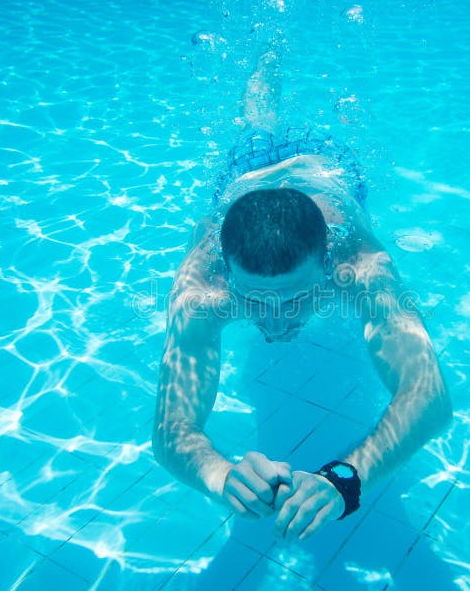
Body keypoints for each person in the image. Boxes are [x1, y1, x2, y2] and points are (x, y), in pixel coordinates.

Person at [153, 46, 451, 542]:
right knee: (256, 123)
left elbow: (430, 395)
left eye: (294, 300)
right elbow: (169, 428)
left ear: (329, 265)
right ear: (227, 273)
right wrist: (220, 475)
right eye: (253, 300)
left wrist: (345, 478)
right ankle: (265, 60)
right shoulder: (203, 287)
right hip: (244, 174)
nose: (273, 324)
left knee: (273, 126)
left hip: (327, 168)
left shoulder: (359, 266)